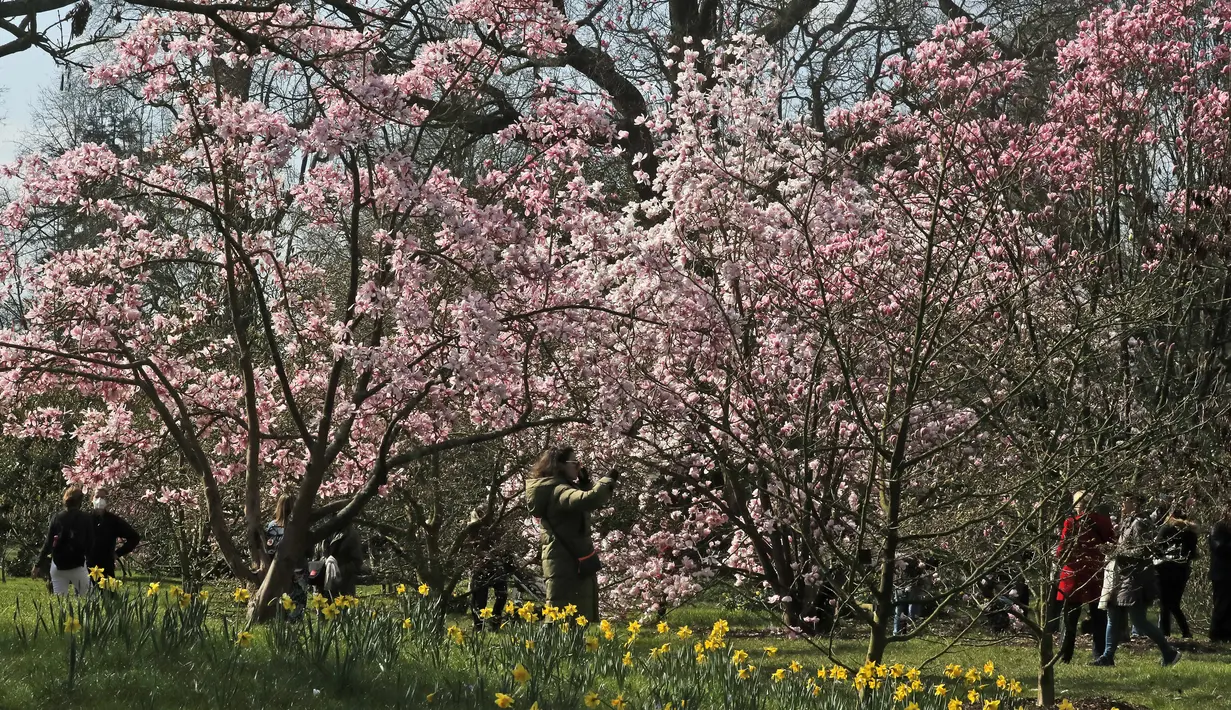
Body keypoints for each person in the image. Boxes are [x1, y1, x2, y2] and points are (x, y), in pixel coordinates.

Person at [525, 446, 618, 622]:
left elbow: (577, 502)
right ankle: (558, 649)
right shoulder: (559, 490)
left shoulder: (557, 488)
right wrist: (607, 481)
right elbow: (588, 500)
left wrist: (583, 484)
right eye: (574, 463)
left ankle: (565, 648)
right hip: (567, 563)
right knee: (564, 618)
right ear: (560, 466)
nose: (579, 467)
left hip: (563, 559)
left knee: (566, 616)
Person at [1091, 493, 1180, 667]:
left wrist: (1117, 552)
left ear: (1135, 504)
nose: (1122, 504)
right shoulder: (1128, 521)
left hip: (1135, 578)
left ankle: (1169, 652)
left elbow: (1143, 551)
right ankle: (1107, 656)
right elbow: (1127, 547)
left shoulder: (1140, 523)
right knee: (1113, 615)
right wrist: (1112, 549)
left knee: (1139, 621)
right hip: (1122, 576)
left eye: (1125, 501)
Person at [1054, 490, 1114, 663]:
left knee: (1070, 617)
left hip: (1074, 573)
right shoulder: (1103, 521)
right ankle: (1099, 654)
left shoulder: (1071, 523)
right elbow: (1111, 542)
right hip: (1095, 571)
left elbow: (1062, 548)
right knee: (1098, 616)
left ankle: (1065, 655)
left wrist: (1058, 558)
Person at [32, 486, 96, 596]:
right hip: (77, 565)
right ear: (80, 501)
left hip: (58, 566)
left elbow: (48, 543)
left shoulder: (57, 517)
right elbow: (90, 542)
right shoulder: (85, 518)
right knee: (88, 599)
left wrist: (37, 564)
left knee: (60, 601)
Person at [464, 505, 519, 631]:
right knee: (480, 600)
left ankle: (496, 622)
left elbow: (504, 545)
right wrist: (481, 555)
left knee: (502, 594)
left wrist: (506, 560)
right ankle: (478, 626)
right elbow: (467, 549)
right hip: (480, 568)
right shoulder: (471, 531)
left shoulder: (496, 529)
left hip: (496, 567)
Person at [1154, 505, 1198, 638]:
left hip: (1165, 568)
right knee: (1174, 603)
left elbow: (1157, 546)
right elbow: (1192, 553)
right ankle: (1185, 631)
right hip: (1182, 570)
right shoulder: (1191, 531)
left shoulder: (1167, 527)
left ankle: (1165, 633)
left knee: (1164, 604)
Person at [265, 494, 309, 613]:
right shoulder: (302, 526)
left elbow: (269, 550)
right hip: (299, 569)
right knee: (297, 604)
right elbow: (309, 550)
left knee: (281, 602)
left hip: (279, 569)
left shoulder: (272, 526)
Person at [86, 488, 141, 579]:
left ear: (107, 501)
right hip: (87, 566)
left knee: (107, 592)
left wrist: (118, 553)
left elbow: (134, 537)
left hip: (106, 565)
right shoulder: (85, 519)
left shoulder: (113, 520)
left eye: (103, 497)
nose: (99, 500)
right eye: (97, 497)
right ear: (92, 499)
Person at [315, 524, 366, 599]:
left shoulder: (351, 534)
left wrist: (337, 569)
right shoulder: (322, 533)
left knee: (342, 609)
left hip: (343, 589)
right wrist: (315, 590)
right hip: (322, 589)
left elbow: (357, 562)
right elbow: (315, 560)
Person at [1209, 504, 1231, 642]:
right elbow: (1219, 548)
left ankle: (1227, 634)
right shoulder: (1219, 527)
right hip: (1221, 573)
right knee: (1221, 605)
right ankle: (1216, 635)